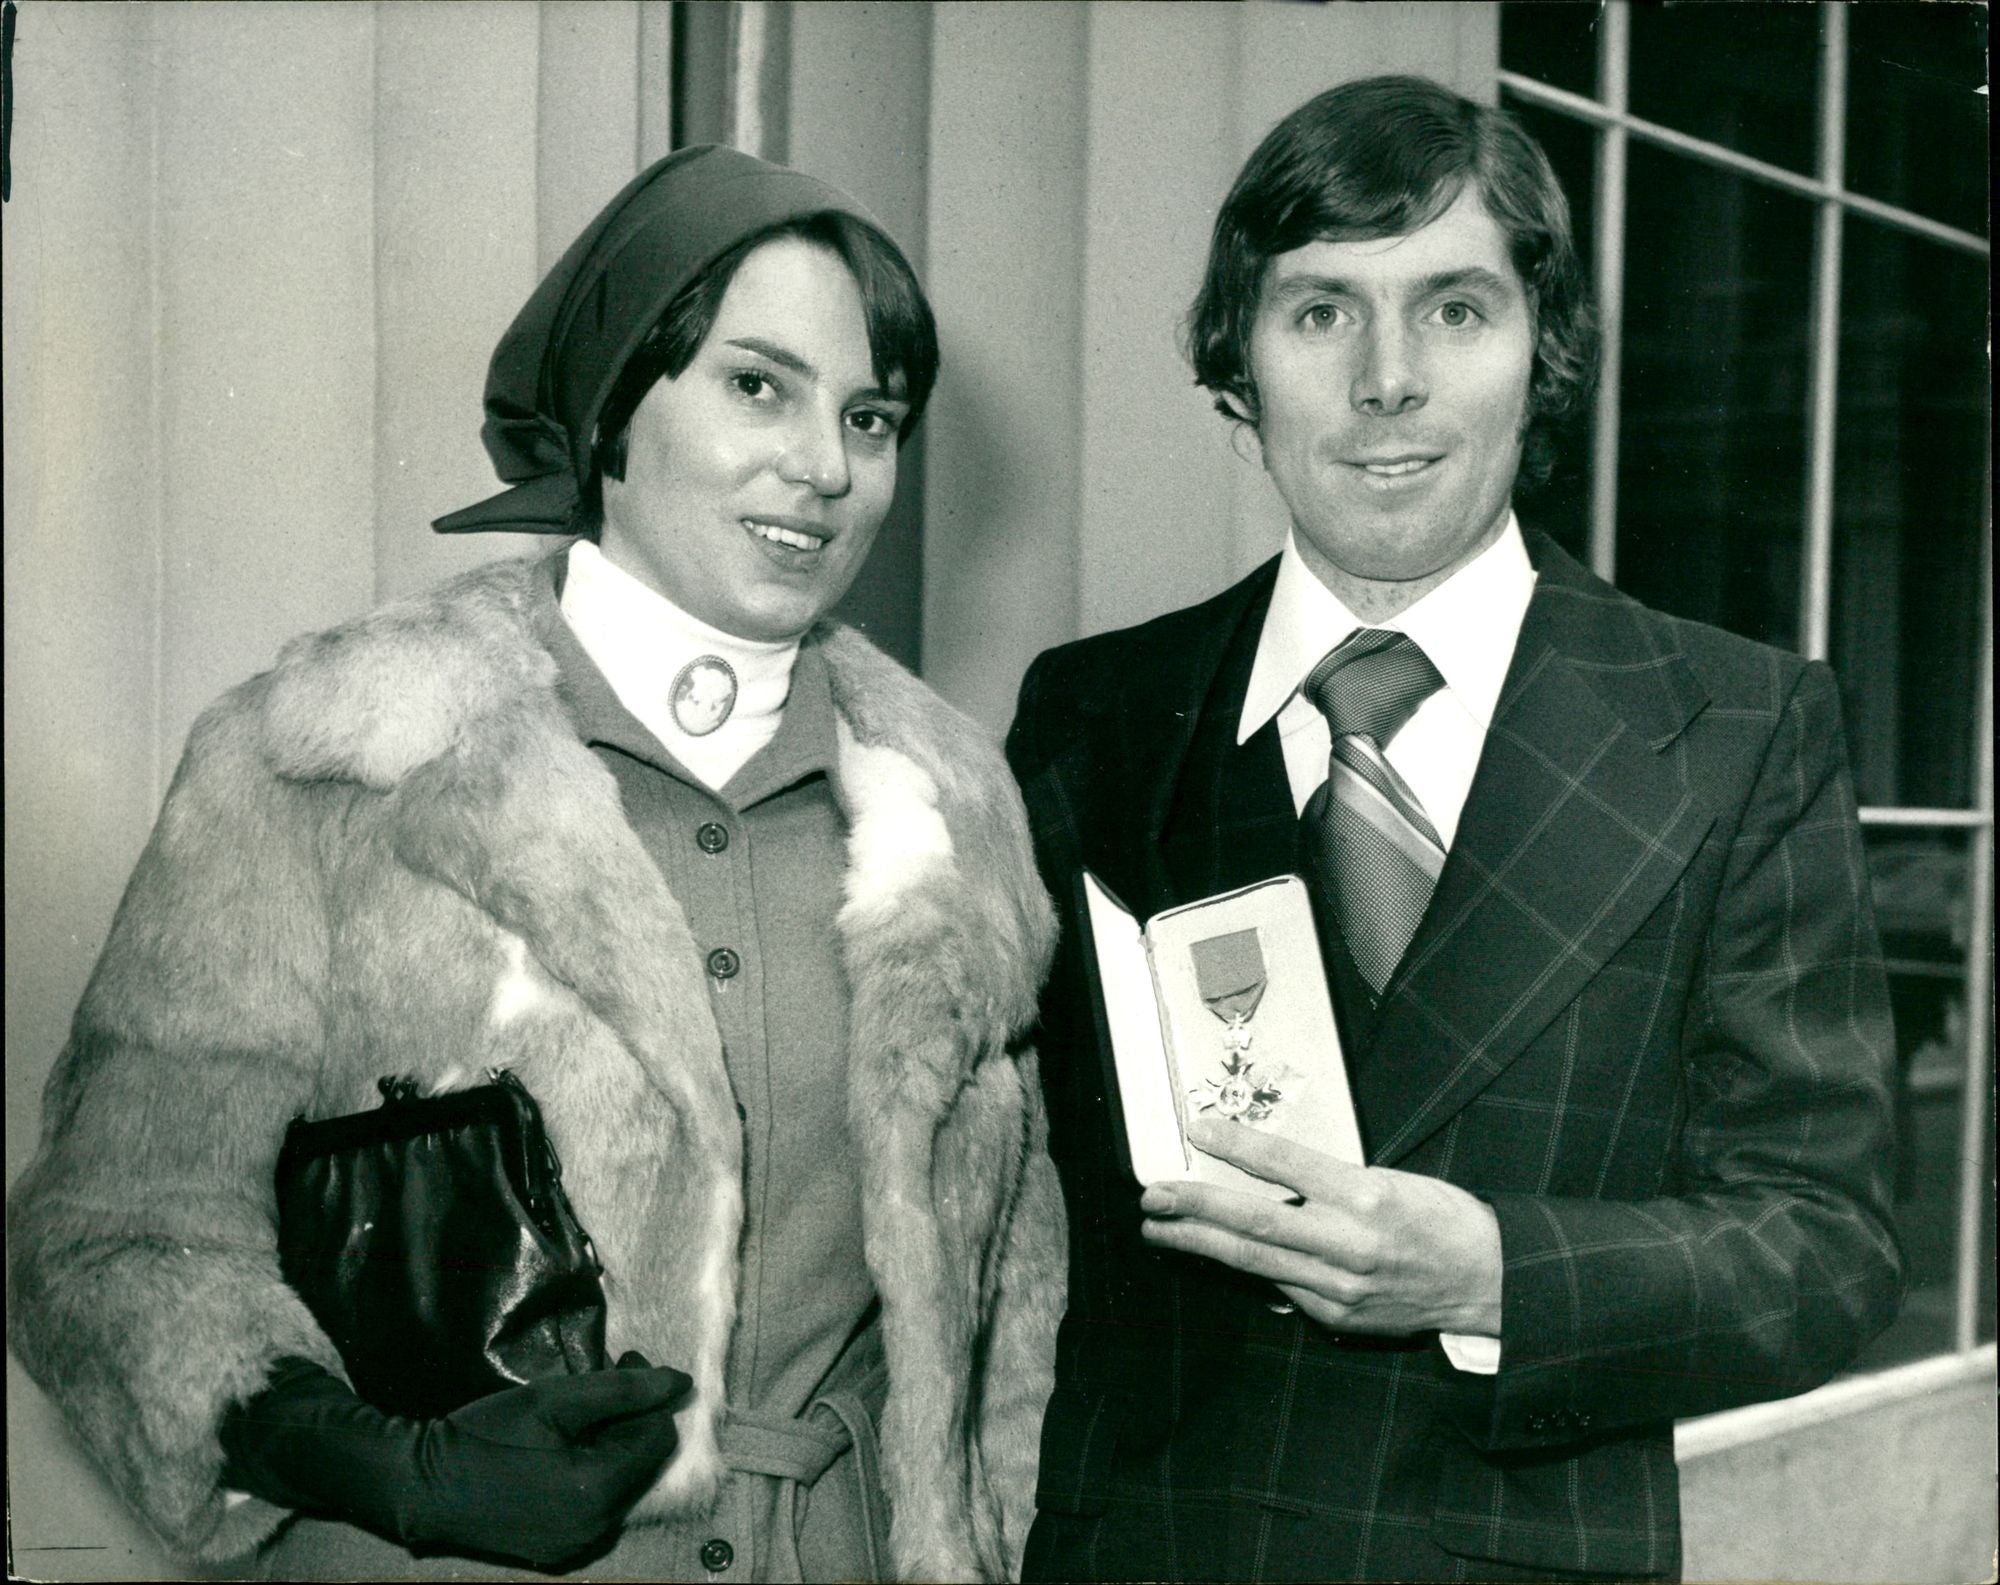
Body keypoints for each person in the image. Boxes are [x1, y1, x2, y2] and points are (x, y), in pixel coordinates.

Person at [9, 145, 1064, 1582]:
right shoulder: (328, 758)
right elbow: (106, 1242)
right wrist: (378, 1458)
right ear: (615, 403)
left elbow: (1012, 1310)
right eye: (759, 385)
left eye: (870, 417)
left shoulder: (951, 805)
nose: (825, 467)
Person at [1006, 76, 1901, 1583]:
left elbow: (1829, 1245)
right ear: (1242, 366)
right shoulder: (1097, 714)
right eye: (1319, 315)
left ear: (1542, 353)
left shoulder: (1739, 732)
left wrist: (1493, 1270)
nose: (1386, 381)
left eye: (1455, 311)